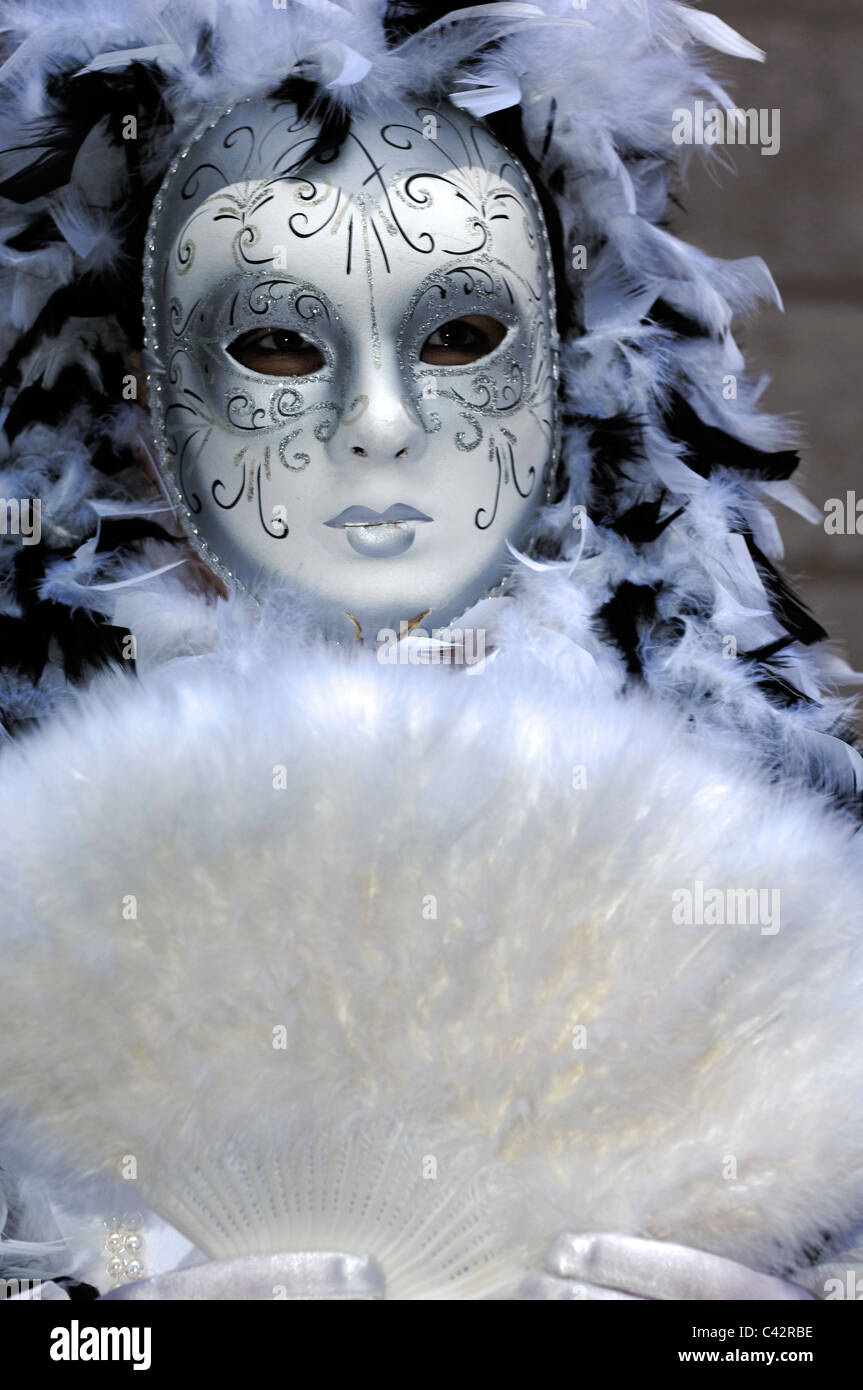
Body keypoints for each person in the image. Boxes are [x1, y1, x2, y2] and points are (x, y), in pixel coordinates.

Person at [0, 0, 861, 1302]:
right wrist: (106, 1337)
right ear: (141, 381)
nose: (382, 422)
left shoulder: (767, 847)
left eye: (461, 334)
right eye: (277, 339)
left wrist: (774, 1337)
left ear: (568, 367)